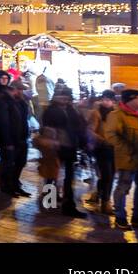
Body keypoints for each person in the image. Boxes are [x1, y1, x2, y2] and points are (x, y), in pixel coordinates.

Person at [39, 82, 88, 217]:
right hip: (55, 147)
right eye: (61, 96)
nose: (64, 99)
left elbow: (79, 127)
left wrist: (82, 143)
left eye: (66, 97)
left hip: (69, 146)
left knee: (68, 177)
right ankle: (50, 200)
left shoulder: (71, 109)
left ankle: (68, 204)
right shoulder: (50, 110)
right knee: (52, 174)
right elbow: (46, 129)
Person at [104, 88, 138, 228]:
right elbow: (111, 135)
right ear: (131, 100)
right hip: (127, 158)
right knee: (124, 187)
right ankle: (120, 216)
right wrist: (128, 149)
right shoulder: (116, 115)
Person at [0, 79, 32, 197]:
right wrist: (7, 141)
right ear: (13, 89)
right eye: (20, 89)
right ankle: (6, 187)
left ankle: (15, 185)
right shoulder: (3, 101)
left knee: (20, 162)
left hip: (21, 138)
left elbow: (25, 118)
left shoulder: (20, 102)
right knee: (8, 164)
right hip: (10, 139)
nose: (22, 92)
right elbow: (3, 123)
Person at [85, 91, 117, 214]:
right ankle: (106, 202)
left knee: (110, 175)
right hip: (102, 148)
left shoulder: (116, 113)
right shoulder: (96, 113)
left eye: (108, 99)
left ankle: (98, 194)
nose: (106, 102)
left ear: (113, 101)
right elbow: (90, 130)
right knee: (107, 175)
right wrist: (102, 140)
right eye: (104, 99)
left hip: (115, 149)